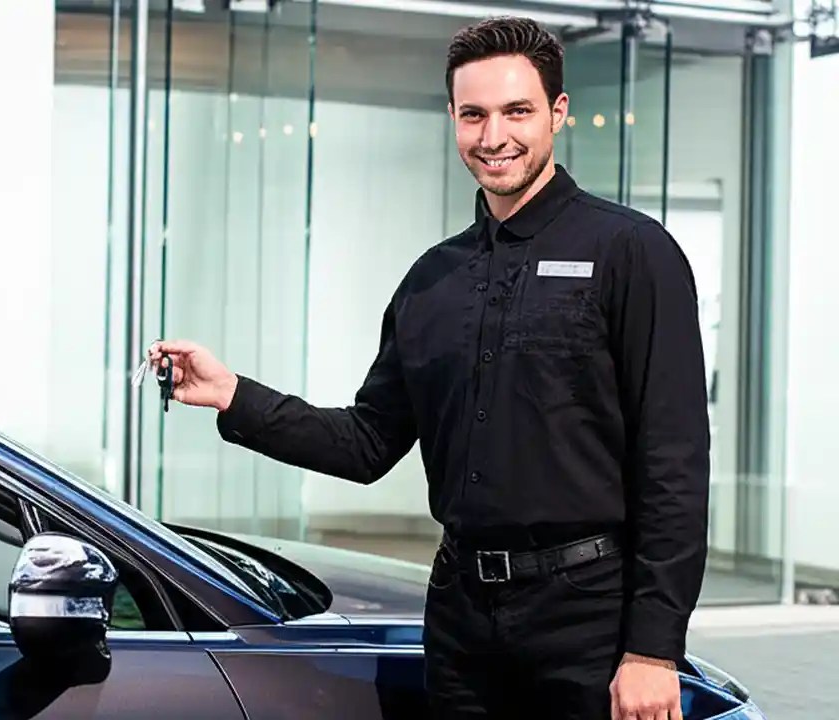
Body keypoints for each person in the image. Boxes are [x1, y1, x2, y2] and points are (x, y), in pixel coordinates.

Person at [146, 15, 710, 720]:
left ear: (558, 114)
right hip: (461, 624)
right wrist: (234, 396)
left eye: (516, 111)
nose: (493, 136)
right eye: (473, 114)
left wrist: (653, 650)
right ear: (452, 118)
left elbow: (674, 463)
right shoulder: (431, 281)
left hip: (588, 623)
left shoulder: (633, 253)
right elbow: (366, 443)